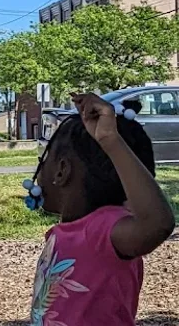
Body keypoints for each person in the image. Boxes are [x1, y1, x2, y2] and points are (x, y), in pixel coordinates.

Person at [25, 92, 174, 326]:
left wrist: (110, 141)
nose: (39, 170)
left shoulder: (103, 230)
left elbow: (157, 224)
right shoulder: (67, 233)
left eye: (42, 160)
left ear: (62, 171)